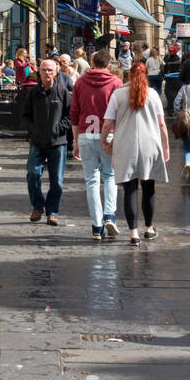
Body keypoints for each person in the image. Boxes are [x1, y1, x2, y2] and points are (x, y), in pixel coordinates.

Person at [101, 61, 170, 245]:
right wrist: (166, 147)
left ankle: (133, 234)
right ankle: (148, 228)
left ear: (129, 75)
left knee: (129, 190)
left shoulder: (118, 94)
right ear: (145, 75)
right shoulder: (153, 95)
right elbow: (162, 125)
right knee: (149, 189)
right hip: (150, 145)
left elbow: (107, 123)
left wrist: (104, 142)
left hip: (125, 146)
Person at [71, 47, 123, 239]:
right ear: (109, 65)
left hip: (86, 133)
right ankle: (110, 215)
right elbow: (120, 112)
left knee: (91, 181)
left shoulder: (80, 82)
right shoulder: (116, 82)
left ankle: (96, 226)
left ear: (92, 63)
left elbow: (74, 114)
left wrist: (75, 141)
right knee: (110, 176)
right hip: (107, 134)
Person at [20, 58, 72, 225]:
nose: (47, 73)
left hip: (58, 142)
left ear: (56, 72)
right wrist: (33, 130)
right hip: (37, 141)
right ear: (39, 73)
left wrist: (59, 128)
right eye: (44, 70)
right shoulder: (33, 93)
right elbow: (25, 116)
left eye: (50, 70)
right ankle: (37, 206)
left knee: (57, 180)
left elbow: (70, 115)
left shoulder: (63, 91)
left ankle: (52, 211)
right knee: (33, 174)